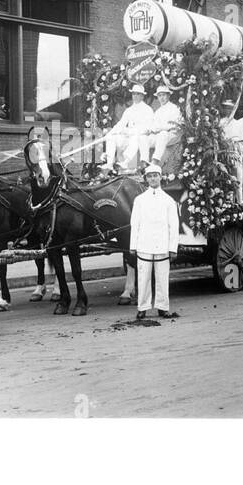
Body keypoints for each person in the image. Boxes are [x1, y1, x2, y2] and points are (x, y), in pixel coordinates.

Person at [130, 163, 180, 319]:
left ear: (160, 177)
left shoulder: (168, 200)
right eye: (150, 176)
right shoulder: (139, 200)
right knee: (143, 277)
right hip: (144, 244)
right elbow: (135, 223)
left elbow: (174, 225)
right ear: (146, 179)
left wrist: (173, 248)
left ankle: (162, 307)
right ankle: (142, 307)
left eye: (155, 176)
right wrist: (133, 245)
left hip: (163, 246)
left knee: (162, 277)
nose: (152, 179)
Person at [103, 84, 155, 174]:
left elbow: (148, 127)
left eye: (138, 94)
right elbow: (121, 124)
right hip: (128, 137)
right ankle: (109, 163)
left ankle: (126, 162)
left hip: (140, 136)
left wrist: (130, 131)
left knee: (136, 137)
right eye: (134, 94)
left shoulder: (148, 110)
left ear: (142, 96)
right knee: (112, 137)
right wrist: (111, 133)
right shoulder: (129, 110)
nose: (135, 96)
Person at [149, 84, 183, 174]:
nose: (162, 98)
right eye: (159, 96)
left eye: (163, 95)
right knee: (145, 139)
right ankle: (143, 164)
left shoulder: (174, 108)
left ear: (168, 95)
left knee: (162, 134)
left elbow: (174, 125)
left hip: (173, 134)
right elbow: (154, 126)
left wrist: (160, 128)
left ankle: (155, 162)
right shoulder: (158, 111)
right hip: (161, 134)